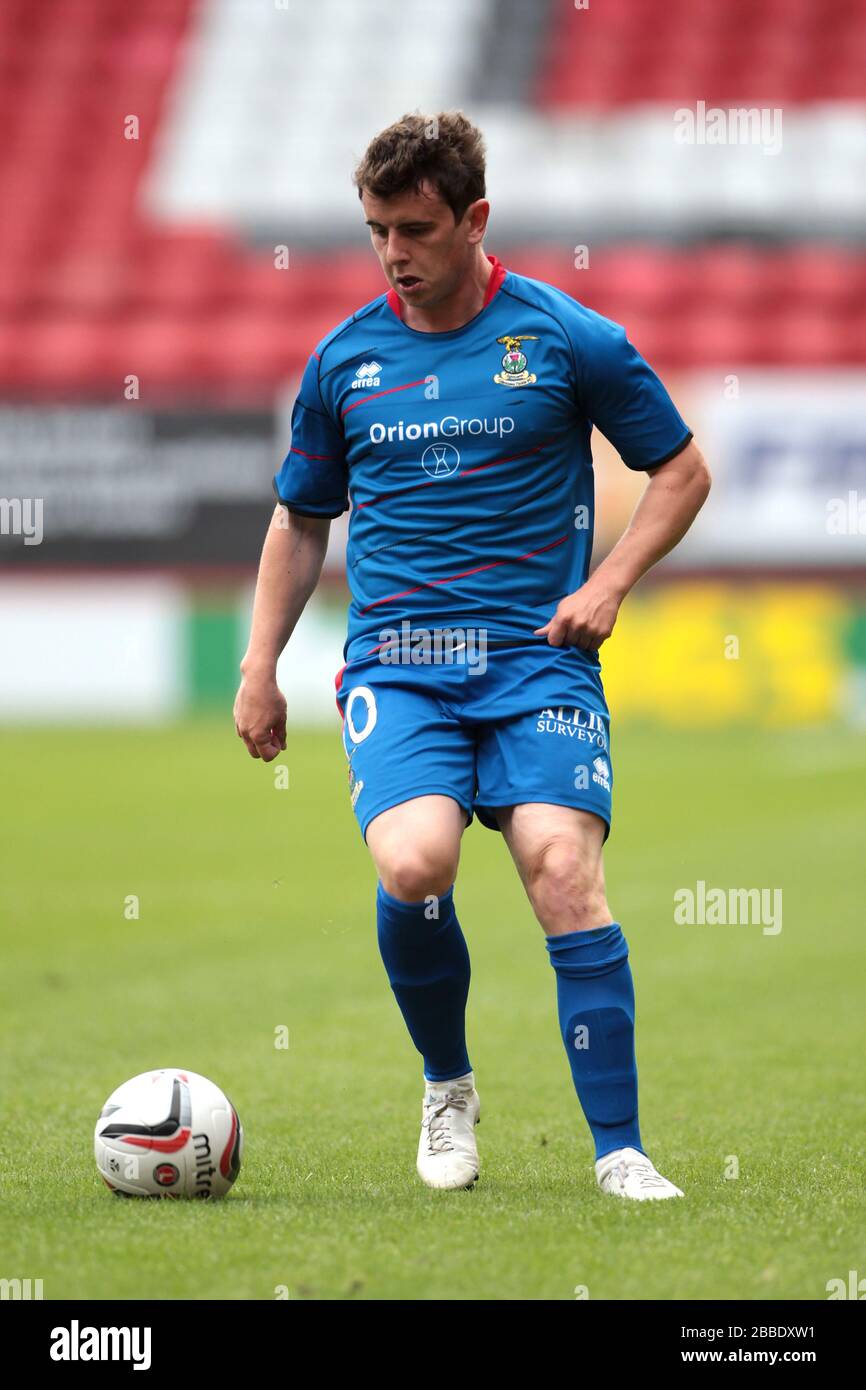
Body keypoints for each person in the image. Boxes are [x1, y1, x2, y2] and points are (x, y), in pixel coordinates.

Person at [234, 111, 711, 1201]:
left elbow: (679, 471)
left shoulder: (564, 337)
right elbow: (299, 517)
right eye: (374, 230)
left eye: (413, 228)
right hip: (400, 662)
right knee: (415, 865)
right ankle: (447, 1084)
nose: (393, 253)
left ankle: (618, 1148)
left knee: (560, 866)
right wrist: (260, 664)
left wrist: (608, 581)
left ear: (474, 219)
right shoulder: (345, 358)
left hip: (534, 660)